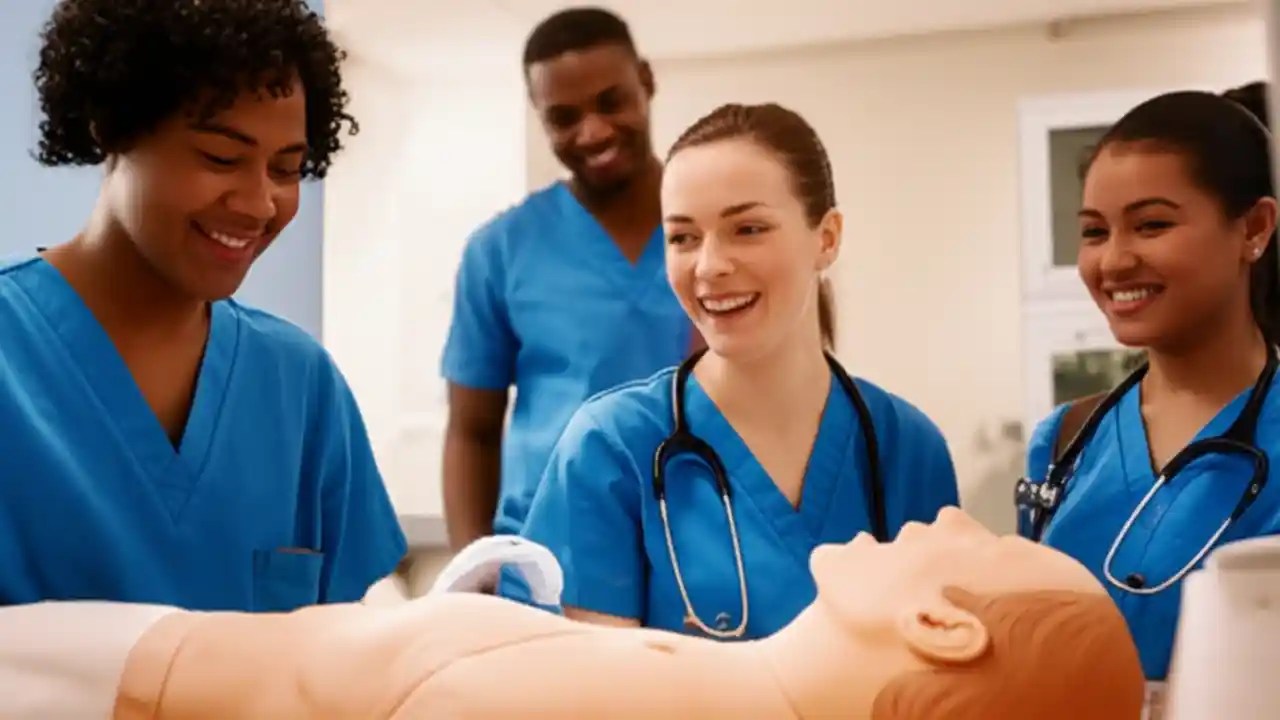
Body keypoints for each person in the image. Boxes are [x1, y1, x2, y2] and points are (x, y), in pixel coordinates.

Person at [0, 0, 406, 611]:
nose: (259, 203)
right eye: (221, 158)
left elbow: (346, 644)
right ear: (112, 126)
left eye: (286, 169)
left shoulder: (299, 386)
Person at [507, 102, 959, 638]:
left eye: (747, 228)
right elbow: (584, 693)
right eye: (682, 237)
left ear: (828, 237)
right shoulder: (612, 447)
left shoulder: (905, 448)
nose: (709, 265)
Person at [2, 508, 1145, 720]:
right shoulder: (741, 682)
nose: (949, 510)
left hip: (126, 691)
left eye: (985, 546)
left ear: (944, 632)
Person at [1017, 91, 1280, 686]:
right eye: (1092, 232)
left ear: (1255, 228)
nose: (1113, 261)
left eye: (1152, 224)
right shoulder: (1064, 443)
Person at [439, 7, 696, 550]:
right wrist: (472, 572)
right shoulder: (502, 249)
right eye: (563, 117)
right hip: (546, 544)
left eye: (611, 101)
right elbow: (472, 430)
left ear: (646, 82)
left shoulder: (714, 222)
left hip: (697, 533)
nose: (593, 131)